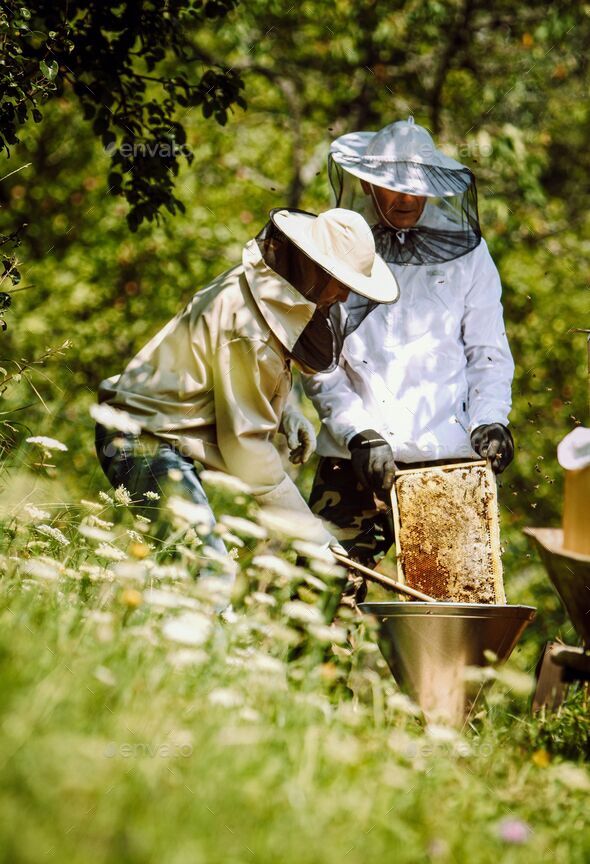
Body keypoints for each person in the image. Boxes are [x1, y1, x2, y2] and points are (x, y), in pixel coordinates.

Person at [94, 207, 399, 559]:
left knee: (179, 564)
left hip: (158, 432)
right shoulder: (250, 328)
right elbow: (246, 450)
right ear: (313, 267)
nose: (345, 297)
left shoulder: (262, 286)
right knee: (205, 568)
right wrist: (309, 532)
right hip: (139, 438)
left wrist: (287, 414)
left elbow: (223, 379)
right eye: (342, 283)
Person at [303, 118, 515, 570]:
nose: (405, 199)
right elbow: (320, 360)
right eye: (392, 186)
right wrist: (358, 432)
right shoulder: (337, 243)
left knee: (454, 619)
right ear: (365, 182)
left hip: (447, 460)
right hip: (353, 459)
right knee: (318, 603)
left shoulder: (469, 252)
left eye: (416, 187)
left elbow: (488, 351)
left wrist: (491, 419)